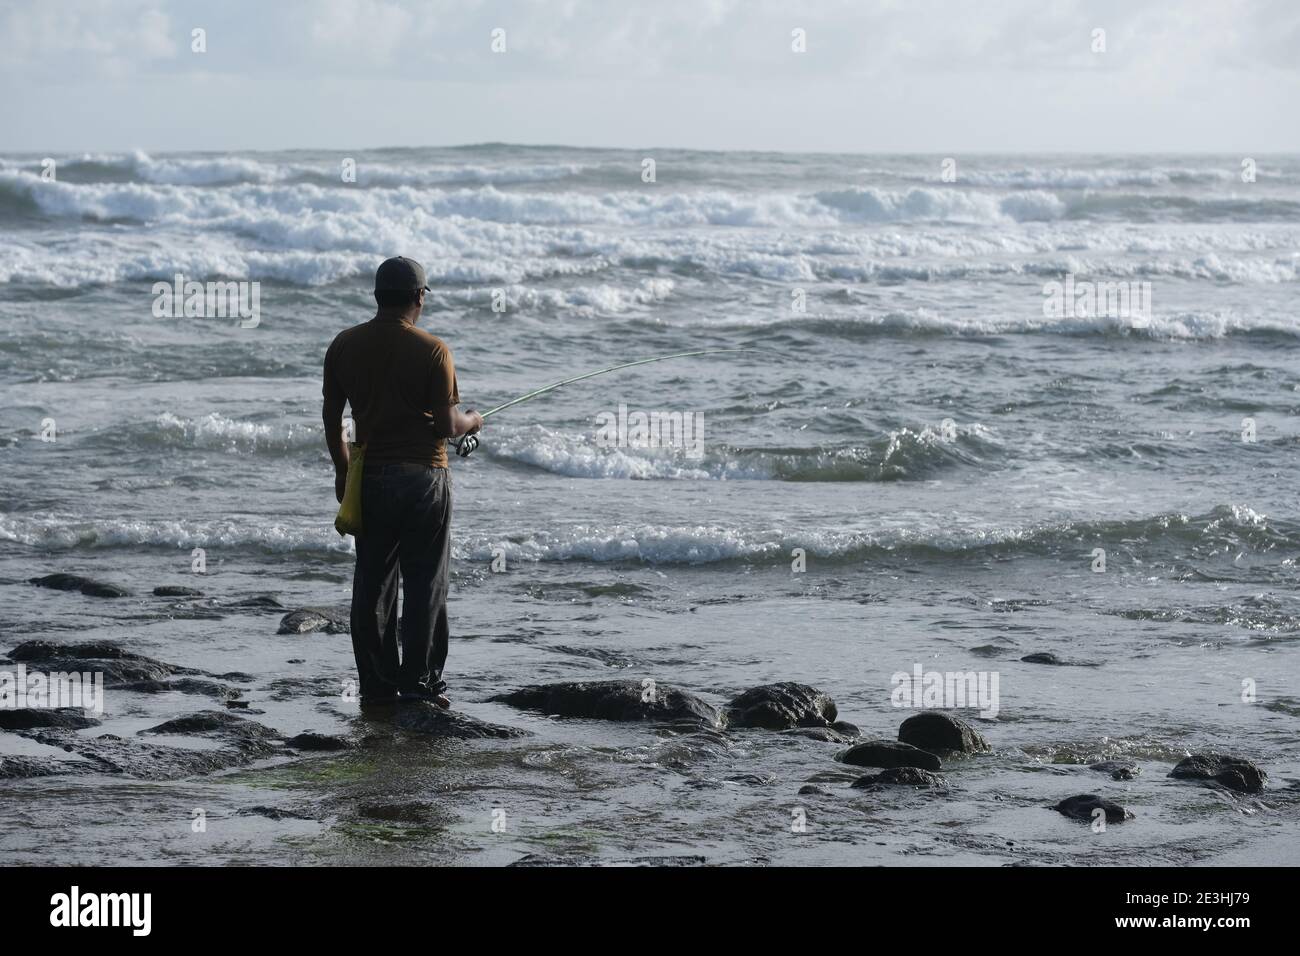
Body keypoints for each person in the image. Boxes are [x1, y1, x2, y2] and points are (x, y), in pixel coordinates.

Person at [321, 256, 483, 709]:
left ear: (377, 296)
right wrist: (475, 420)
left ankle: (375, 686)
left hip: (369, 477)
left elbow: (332, 417)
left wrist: (342, 468)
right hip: (425, 479)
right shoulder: (433, 350)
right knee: (427, 582)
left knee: (372, 584)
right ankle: (420, 683)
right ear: (419, 298)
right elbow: (450, 425)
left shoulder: (344, 345)